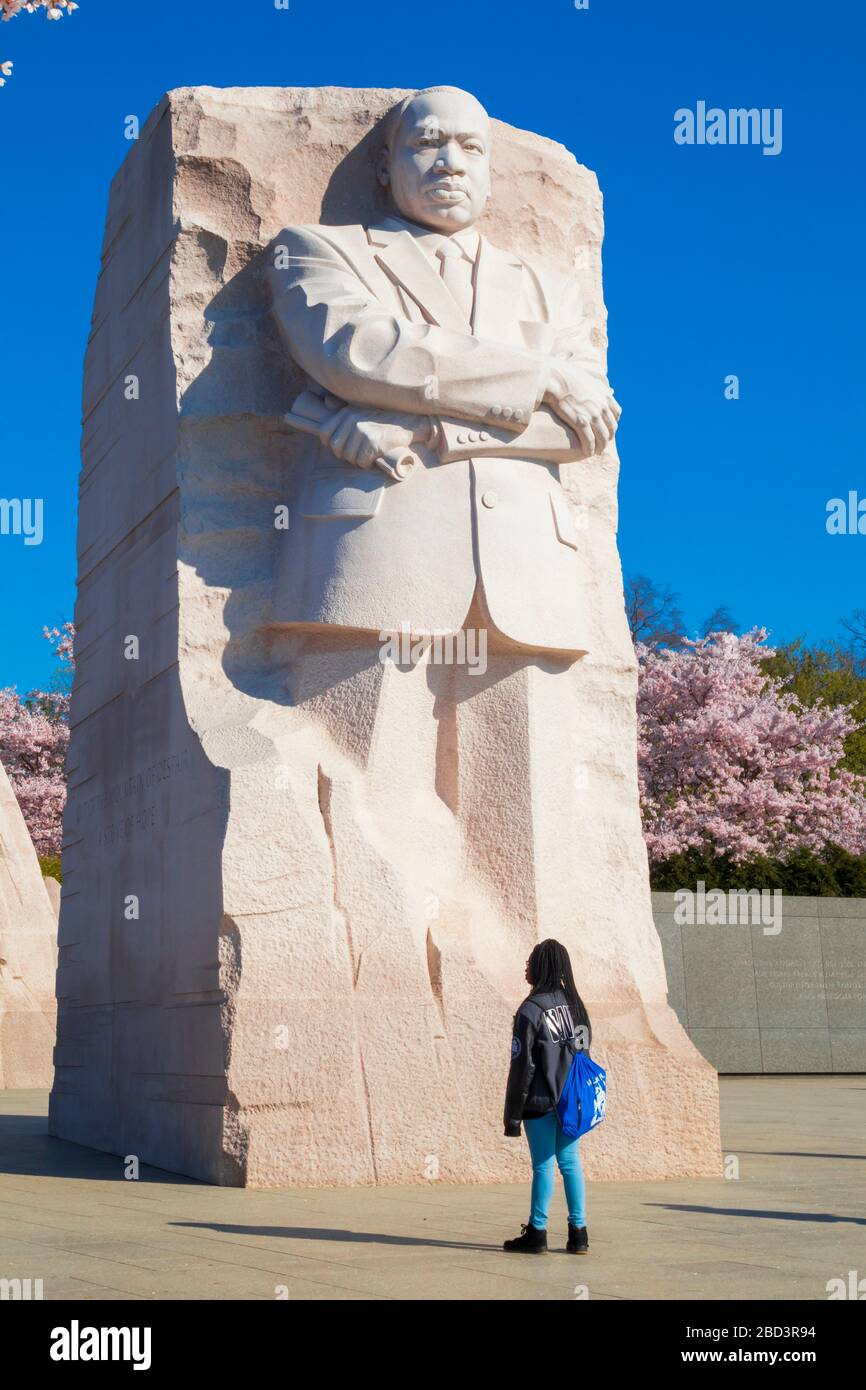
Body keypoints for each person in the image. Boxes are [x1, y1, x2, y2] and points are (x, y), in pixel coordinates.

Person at [503, 938, 593, 1254]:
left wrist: (513, 1115)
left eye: (530, 961)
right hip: (572, 1101)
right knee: (570, 1163)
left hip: (540, 1100)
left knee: (543, 1165)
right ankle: (578, 1232)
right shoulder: (576, 1006)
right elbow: (583, 1052)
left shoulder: (531, 1010)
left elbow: (522, 1066)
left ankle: (537, 1232)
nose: (526, 966)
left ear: (541, 966)